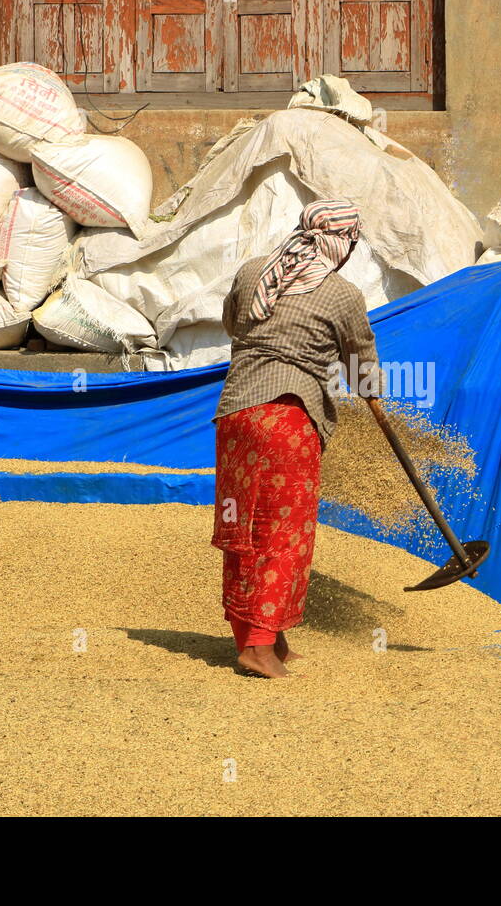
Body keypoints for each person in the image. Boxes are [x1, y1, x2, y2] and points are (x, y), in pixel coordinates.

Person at [211, 199, 382, 678]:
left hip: (236, 416)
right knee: (282, 532)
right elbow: (360, 356)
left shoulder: (252, 273)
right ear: (341, 242)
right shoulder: (341, 294)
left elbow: (232, 323)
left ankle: (267, 638)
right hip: (287, 420)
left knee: (243, 526)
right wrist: (372, 394)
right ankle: (258, 648)